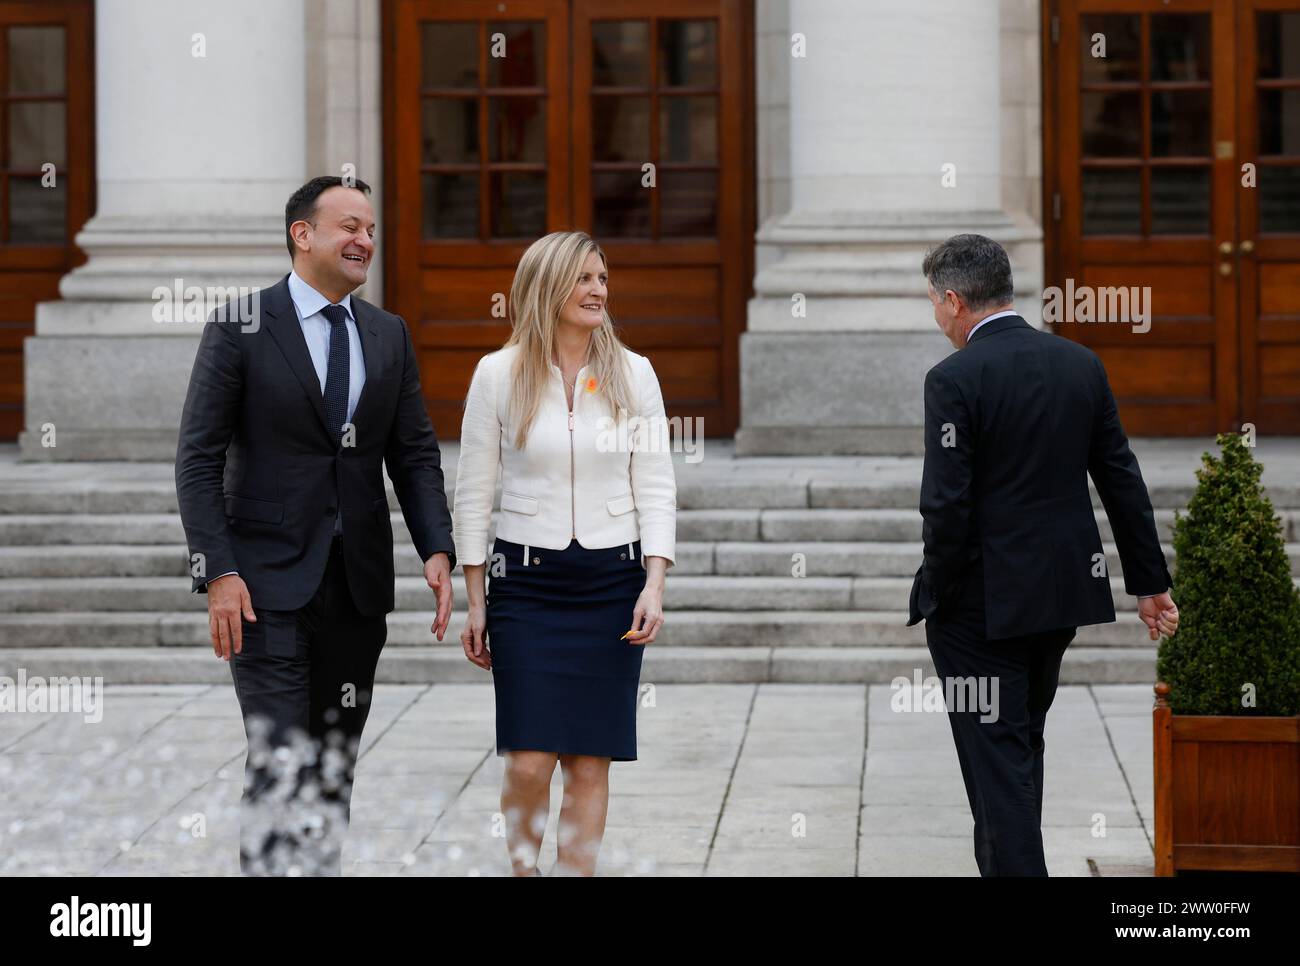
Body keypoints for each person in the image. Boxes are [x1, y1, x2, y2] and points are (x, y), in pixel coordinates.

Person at [175, 175, 456, 875]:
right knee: (279, 761)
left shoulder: (387, 334)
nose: (364, 240)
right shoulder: (240, 325)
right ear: (303, 235)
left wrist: (438, 548)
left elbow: (414, 453)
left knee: (332, 765)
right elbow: (198, 458)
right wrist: (218, 570)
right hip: (262, 588)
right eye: (349, 227)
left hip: (356, 591)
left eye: (370, 230)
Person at [907, 233, 1178, 876]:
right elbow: (1121, 478)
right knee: (1019, 748)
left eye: (933, 303)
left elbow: (945, 507)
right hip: (1057, 603)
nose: (936, 316)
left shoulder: (953, 378)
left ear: (953, 300)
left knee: (997, 767)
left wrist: (938, 590)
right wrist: (1149, 583)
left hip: (980, 608)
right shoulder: (1078, 363)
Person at [453, 230, 677, 876]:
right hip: (526, 585)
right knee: (528, 760)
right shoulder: (497, 374)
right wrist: (476, 601)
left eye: (602, 278)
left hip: (612, 581)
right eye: (583, 279)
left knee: (588, 759)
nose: (597, 291)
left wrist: (653, 583)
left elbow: (656, 482)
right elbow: (474, 492)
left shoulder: (634, 374)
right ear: (547, 287)